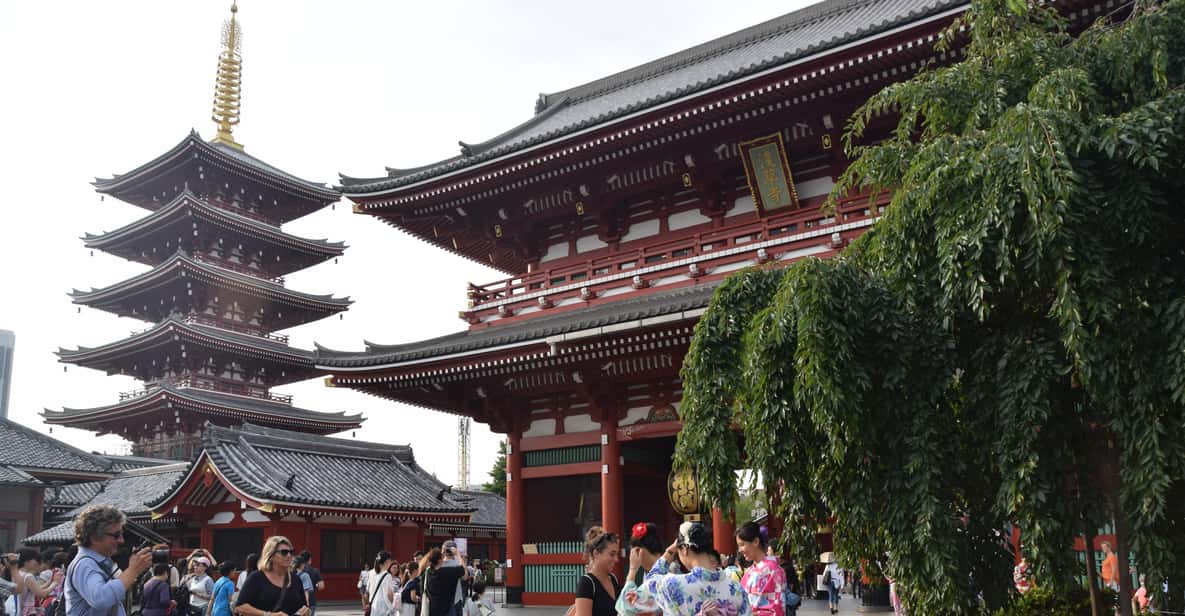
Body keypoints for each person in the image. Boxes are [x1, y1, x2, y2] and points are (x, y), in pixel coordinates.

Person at [63, 504, 153, 616]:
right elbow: (100, 598)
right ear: (94, 537)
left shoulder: (99, 563)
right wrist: (132, 571)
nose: (121, 540)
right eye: (116, 535)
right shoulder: (85, 564)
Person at [643, 522, 749, 616]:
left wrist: (669, 552)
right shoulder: (736, 588)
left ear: (685, 550)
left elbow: (651, 579)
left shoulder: (672, 584)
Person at [233, 536, 308, 616]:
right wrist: (268, 615)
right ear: (271, 555)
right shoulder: (256, 578)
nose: (289, 555)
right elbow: (240, 607)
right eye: (284, 552)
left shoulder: (295, 579)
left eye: (291, 552)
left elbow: (304, 606)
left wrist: (306, 611)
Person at [734, 523, 786, 616]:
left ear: (756, 542)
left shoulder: (773, 570)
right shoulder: (750, 571)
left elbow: (776, 607)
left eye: (742, 544)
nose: (740, 550)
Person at [617, 522, 663, 616]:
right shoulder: (655, 570)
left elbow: (627, 608)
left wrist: (632, 570)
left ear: (638, 551)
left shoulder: (660, 574)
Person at [574, 527, 620, 616]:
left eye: (617, 554)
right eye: (612, 554)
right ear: (596, 553)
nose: (616, 559)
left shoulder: (613, 578)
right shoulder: (587, 583)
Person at [422, 549, 465, 616]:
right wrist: (457, 554)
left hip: (432, 609)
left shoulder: (429, 572)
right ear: (439, 561)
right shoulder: (446, 572)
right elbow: (463, 569)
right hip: (446, 610)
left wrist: (439, 554)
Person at [16, 549, 49, 616]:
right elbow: (41, 594)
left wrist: (50, 582)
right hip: (27, 611)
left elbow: (35, 589)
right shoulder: (28, 576)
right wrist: (55, 583)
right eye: (34, 559)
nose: (36, 562)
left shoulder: (17, 573)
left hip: (18, 609)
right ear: (27, 561)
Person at [296, 552, 323, 616]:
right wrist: (314, 585)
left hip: (296, 601)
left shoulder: (292, 571)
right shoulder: (314, 571)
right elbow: (321, 586)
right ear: (310, 560)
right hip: (310, 601)